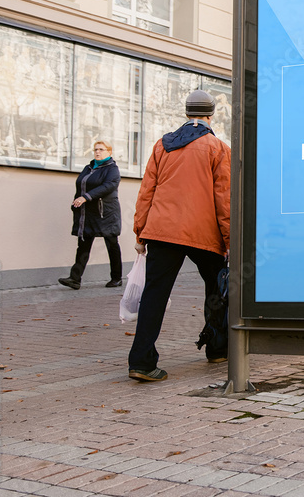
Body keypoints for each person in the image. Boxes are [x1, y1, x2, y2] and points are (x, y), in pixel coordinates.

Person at [127, 90, 231, 382]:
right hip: (204, 233)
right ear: (211, 115)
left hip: (162, 231)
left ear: (187, 114)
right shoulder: (218, 148)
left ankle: (142, 362)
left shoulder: (162, 145)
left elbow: (147, 190)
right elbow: (225, 199)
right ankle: (217, 348)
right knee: (217, 290)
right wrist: (229, 240)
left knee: (154, 294)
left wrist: (140, 232)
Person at [58, 140, 123, 289]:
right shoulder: (88, 167)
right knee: (83, 244)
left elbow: (109, 186)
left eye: (101, 149)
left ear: (109, 152)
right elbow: (81, 186)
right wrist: (76, 203)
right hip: (88, 213)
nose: (98, 152)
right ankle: (75, 279)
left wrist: (86, 197)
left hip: (105, 212)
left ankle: (117, 278)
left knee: (112, 244)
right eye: (95, 149)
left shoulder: (112, 169)